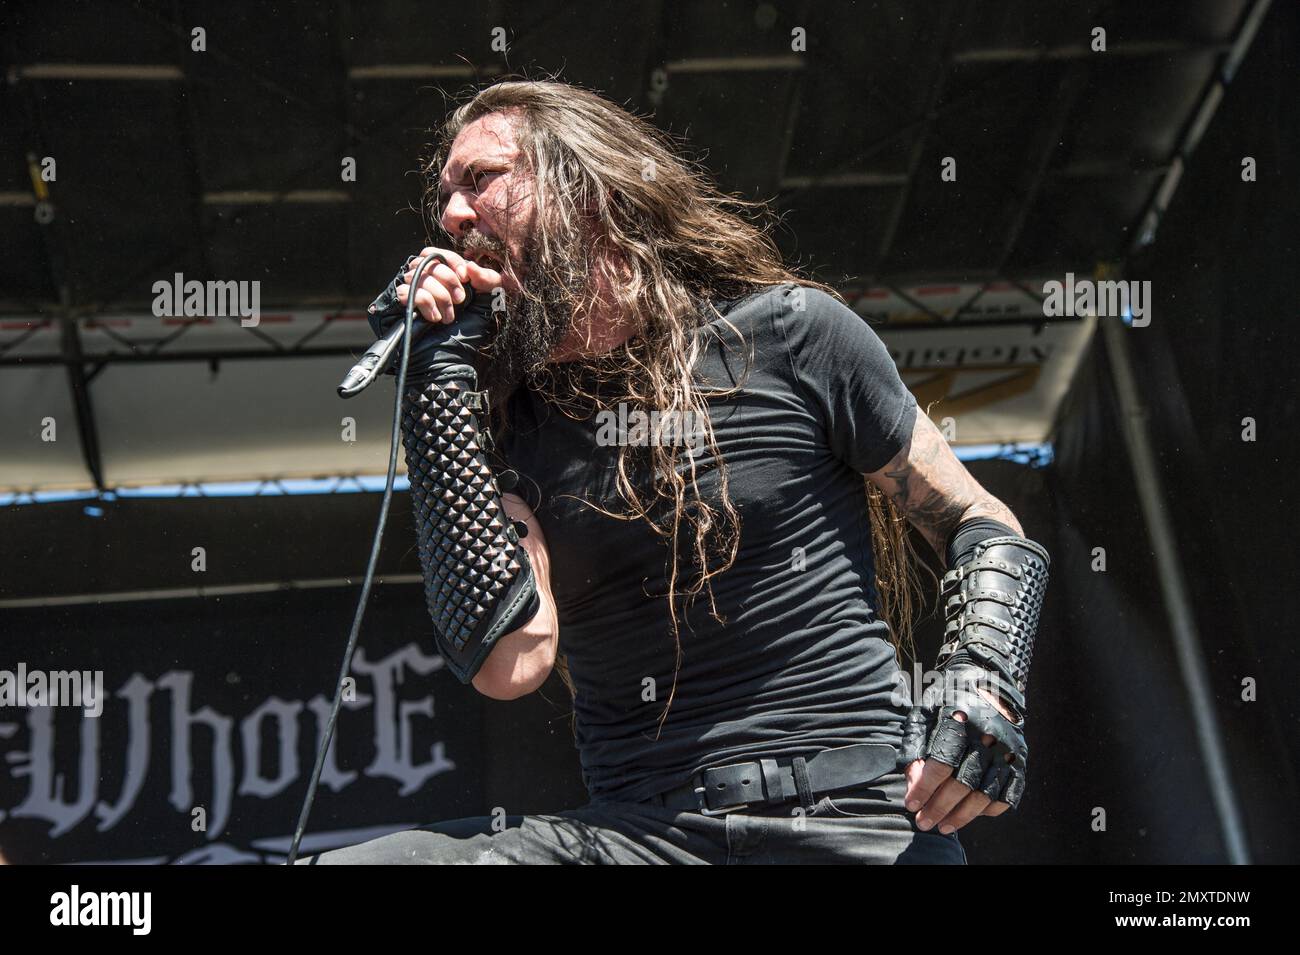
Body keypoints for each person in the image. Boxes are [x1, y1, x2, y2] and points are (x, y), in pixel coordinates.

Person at [299, 80, 1049, 865]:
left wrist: (982, 681)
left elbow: (979, 521)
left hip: (856, 818)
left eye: (480, 180)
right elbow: (511, 661)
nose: (451, 217)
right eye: (445, 195)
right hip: (642, 835)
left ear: (582, 186)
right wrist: (436, 386)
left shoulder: (792, 333)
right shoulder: (513, 418)